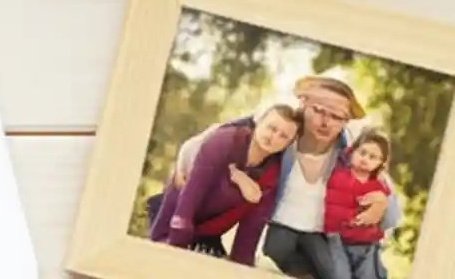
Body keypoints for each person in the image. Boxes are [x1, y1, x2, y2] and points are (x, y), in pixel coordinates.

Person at [172, 75, 402, 279]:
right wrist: (182, 169)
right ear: (303, 105)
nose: (325, 121)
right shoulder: (280, 134)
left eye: (336, 116)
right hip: (279, 242)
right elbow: (209, 142)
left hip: (330, 241)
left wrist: (381, 203)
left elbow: (391, 215)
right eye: (319, 110)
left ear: (346, 121)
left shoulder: (352, 152)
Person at [148, 104, 303, 265]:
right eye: (271, 128)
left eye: (283, 136)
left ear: (288, 144)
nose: (274, 137)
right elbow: (193, 191)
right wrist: (178, 238)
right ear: (258, 122)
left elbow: (252, 227)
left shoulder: (272, 173)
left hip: (207, 234)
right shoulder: (226, 140)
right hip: (176, 212)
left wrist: (242, 267)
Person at [323, 128, 392, 279]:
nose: (365, 159)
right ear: (352, 151)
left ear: (380, 163)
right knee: (340, 275)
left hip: (365, 244)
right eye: (362, 153)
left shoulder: (379, 188)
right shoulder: (337, 175)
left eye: (373, 157)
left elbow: (382, 217)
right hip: (337, 238)